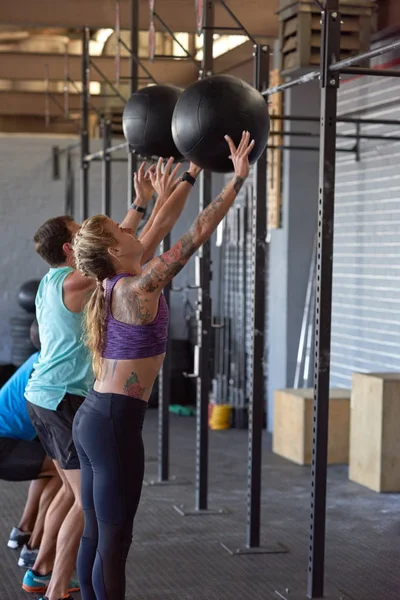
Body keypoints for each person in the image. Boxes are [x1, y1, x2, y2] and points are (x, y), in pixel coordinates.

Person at [72, 131, 254, 600]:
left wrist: (193, 171)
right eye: (125, 232)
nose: (136, 231)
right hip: (112, 424)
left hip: (95, 417)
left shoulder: (117, 280)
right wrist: (235, 182)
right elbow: (192, 236)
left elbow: (162, 220)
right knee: (114, 543)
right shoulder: (139, 286)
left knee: (97, 536)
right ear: (116, 250)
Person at [22, 157, 201, 600]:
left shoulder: (54, 279)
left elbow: (136, 239)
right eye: (77, 227)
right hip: (65, 398)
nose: (85, 227)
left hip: (52, 397)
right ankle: (50, 584)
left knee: (78, 501)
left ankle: (44, 569)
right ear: (71, 249)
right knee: (89, 510)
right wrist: (173, 188)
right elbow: (133, 241)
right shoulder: (79, 281)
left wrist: (146, 199)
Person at [0, 319, 61, 569]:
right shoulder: (47, 368)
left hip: (11, 441)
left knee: (50, 460)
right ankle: (34, 548)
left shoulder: (38, 358)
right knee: (64, 471)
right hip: (4, 446)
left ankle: (24, 530)